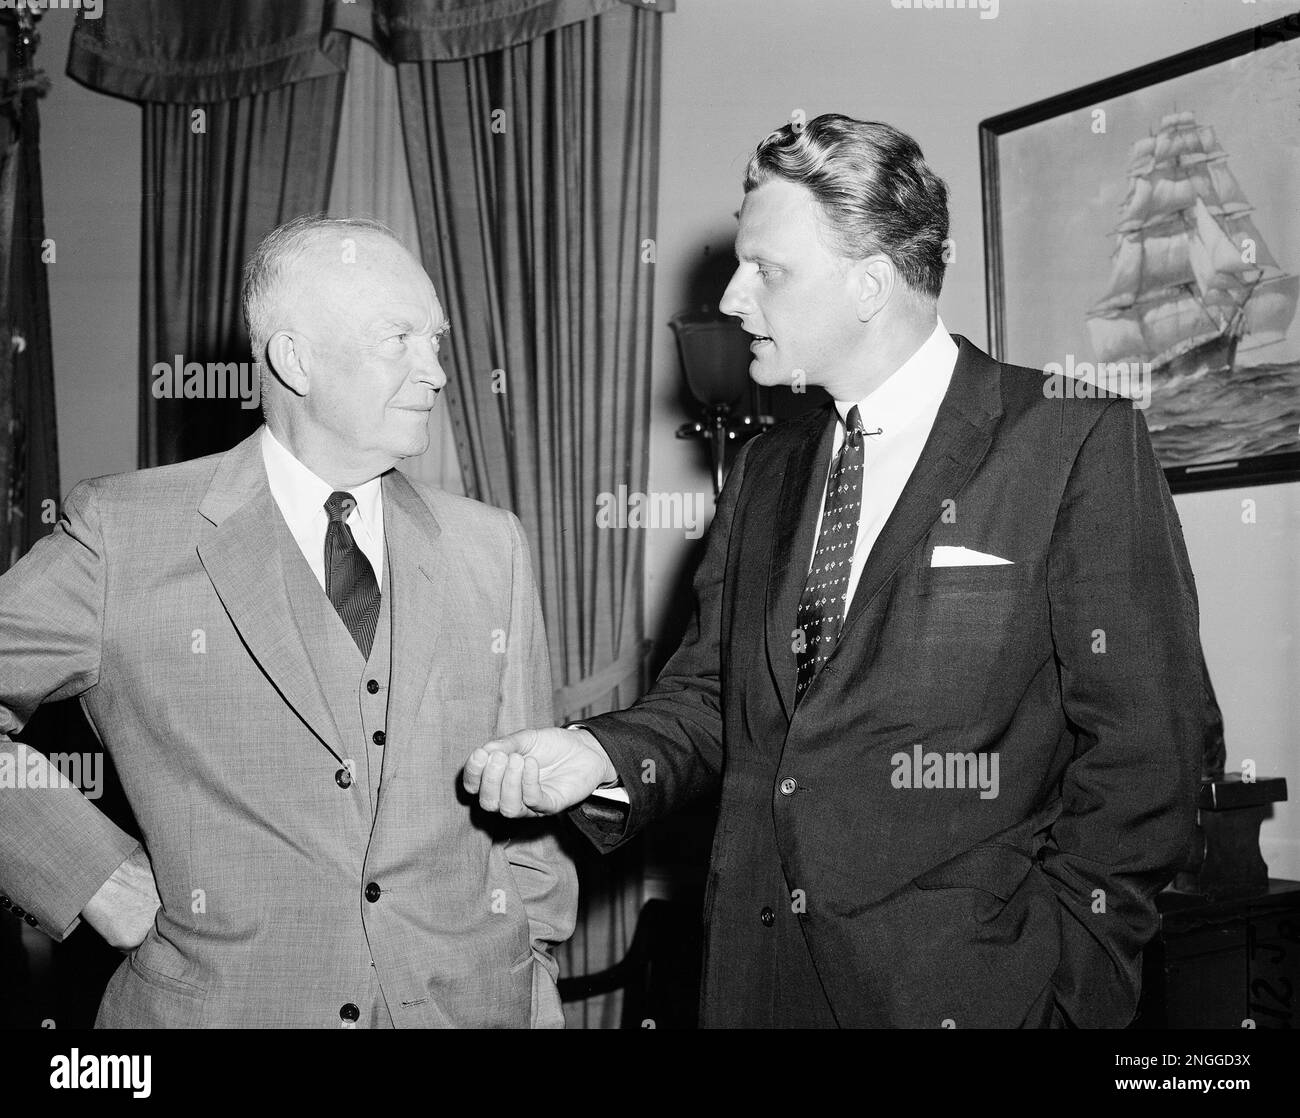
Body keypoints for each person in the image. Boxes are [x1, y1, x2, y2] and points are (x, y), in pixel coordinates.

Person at [465, 115, 1214, 1028]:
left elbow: (1154, 755)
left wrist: (1063, 988)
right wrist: (599, 754)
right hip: (752, 985)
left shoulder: (1072, 442)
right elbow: (714, 698)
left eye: (767, 271)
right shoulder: (766, 468)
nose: (734, 299)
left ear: (869, 285)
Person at [0, 215, 576, 1028]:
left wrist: (538, 966)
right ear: (293, 358)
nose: (438, 372)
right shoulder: (125, 533)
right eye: (400, 338)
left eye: (437, 341)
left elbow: (526, 797)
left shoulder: (492, 546)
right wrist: (95, 877)